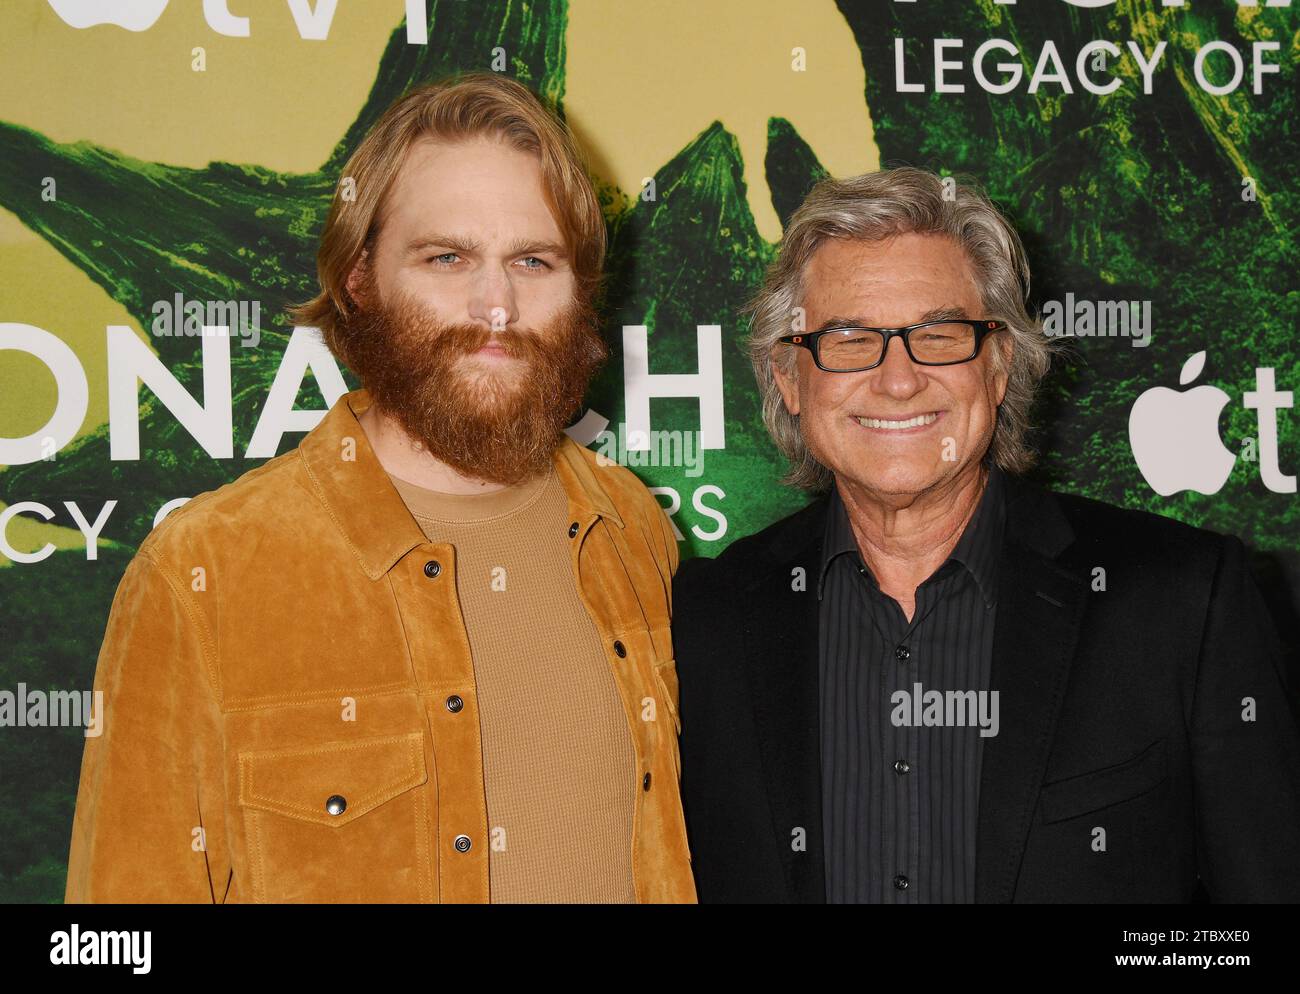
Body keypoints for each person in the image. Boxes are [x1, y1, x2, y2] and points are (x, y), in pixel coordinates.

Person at [64, 72, 694, 904]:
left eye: (533, 261)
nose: (495, 306)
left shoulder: (630, 527)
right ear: (359, 281)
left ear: (580, 292)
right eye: (447, 257)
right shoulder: (203, 571)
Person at [672, 165, 1300, 902]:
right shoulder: (705, 624)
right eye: (848, 339)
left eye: (940, 335)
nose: (898, 379)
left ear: (1000, 363)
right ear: (789, 377)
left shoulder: (1181, 602)